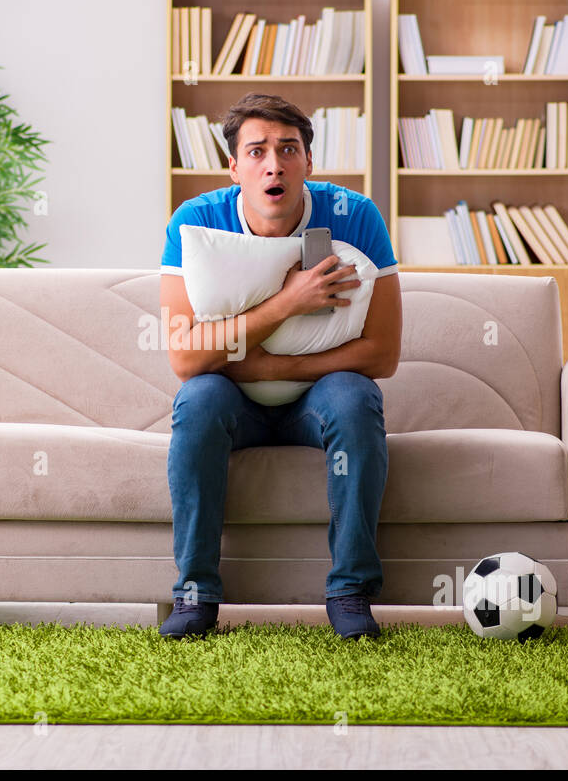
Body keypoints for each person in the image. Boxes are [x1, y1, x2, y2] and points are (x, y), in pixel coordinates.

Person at [158, 92, 401, 640]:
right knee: (197, 399)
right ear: (234, 167)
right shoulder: (196, 222)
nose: (274, 164)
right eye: (258, 151)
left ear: (308, 163)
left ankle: (350, 591)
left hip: (315, 400)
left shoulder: (354, 215)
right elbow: (184, 357)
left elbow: (383, 353)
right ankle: (195, 595)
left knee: (354, 396)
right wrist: (289, 302)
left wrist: (269, 366)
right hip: (230, 403)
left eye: (289, 149)